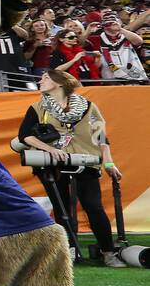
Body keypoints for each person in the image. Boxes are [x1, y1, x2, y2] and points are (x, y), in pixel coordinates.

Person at [19, 68, 126, 267]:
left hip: (85, 160)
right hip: (51, 163)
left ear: (58, 83)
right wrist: (49, 150)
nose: (40, 81)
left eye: (45, 78)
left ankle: (108, 252)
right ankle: (69, 252)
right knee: (62, 209)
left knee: (93, 206)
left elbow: (101, 136)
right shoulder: (37, 107)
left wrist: (109, 163)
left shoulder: (88, 107)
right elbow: (24, 135)